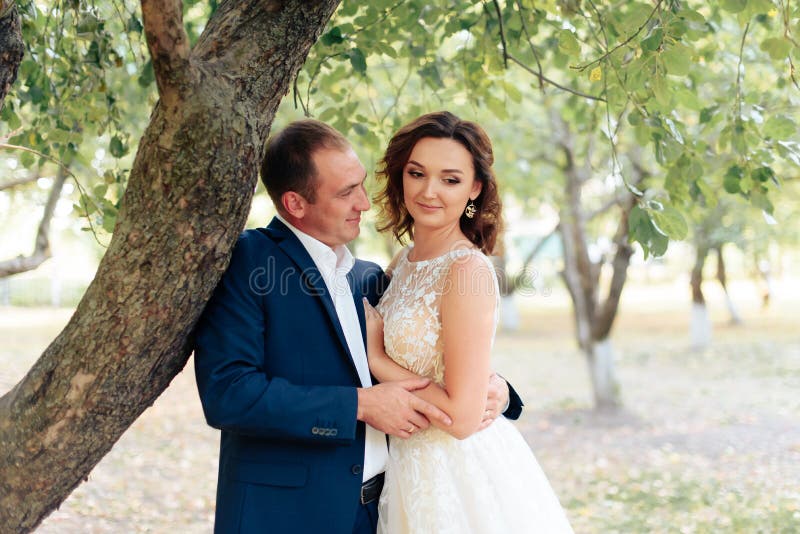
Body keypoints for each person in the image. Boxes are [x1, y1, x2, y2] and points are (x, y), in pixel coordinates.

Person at [192, 118, 524, 534]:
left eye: (362, 185)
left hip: (386, 508)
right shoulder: (251, 260)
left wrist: (501, 391)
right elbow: (228, 393)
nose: (364, 203)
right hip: (289, 514)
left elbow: (428, 353)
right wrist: (359, 405)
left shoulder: (369, 277)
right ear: (295, 203)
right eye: (346, 192)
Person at [363, 111, 574, 533]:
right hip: (404, 466)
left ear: (475, 188)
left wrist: (377, 358)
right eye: (417, 173)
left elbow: (462, 418)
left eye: (450, 179)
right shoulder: (402, 262)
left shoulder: (466, 270)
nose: (429, 191)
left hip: (452, 472)